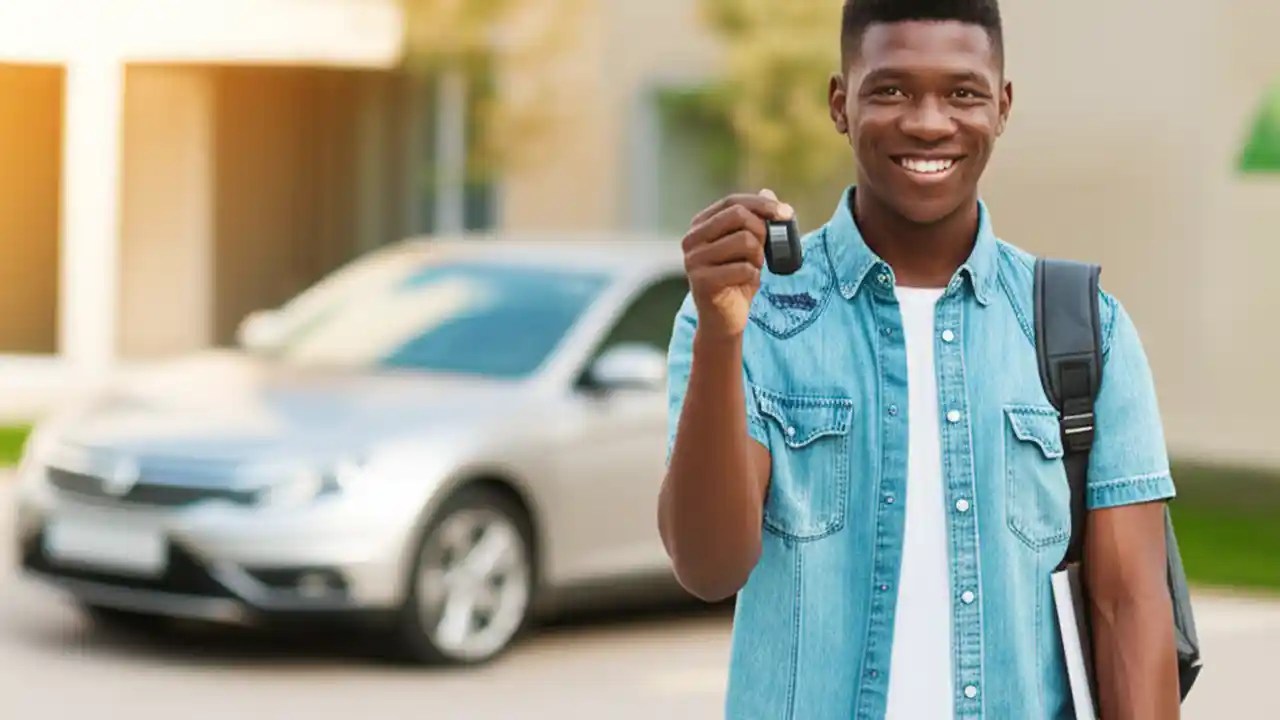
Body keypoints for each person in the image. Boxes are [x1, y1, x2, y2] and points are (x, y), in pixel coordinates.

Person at [658, 1, 1181, 718]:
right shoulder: (758, 317)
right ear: (841, 104)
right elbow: (709, 566)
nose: (929, 122)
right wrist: (721, 335)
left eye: (962, 93)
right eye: (893, 90)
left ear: (1002, 106)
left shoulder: (1085, 328)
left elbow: (1131, 608)